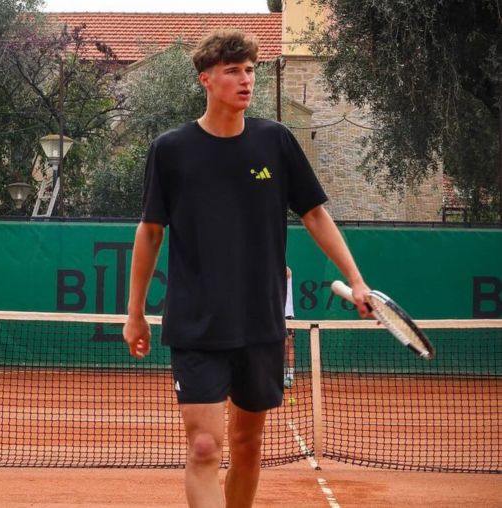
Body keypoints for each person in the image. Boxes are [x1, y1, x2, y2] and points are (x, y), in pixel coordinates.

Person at [123, 30, 371, 508]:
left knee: (247, 444)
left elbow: (315, 214)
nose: (246, 80)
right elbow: (150, 232)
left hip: (261, 322)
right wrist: (135, 313)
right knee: (203, 446)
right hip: (196, 323)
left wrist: (357, 280)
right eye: (233, 70)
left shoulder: (275, 141)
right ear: (206, 79)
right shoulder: (171, 149)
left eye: (251, 70)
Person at [284, 266, 295, 389]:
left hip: (287, 314)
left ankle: (290, 376)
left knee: (289, 344)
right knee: (279, 346)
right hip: (274, 313)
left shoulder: (287, 270)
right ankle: (280, 374)